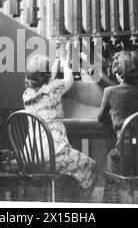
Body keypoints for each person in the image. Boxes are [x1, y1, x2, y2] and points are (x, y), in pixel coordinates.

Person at [22, 50, 98, 201]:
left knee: (69, 171)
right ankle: (78, 204)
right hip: (54, 156)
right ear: (48, 76)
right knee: (91, 166)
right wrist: (63, 60)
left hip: (30, 157)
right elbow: (68, 78)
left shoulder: (27, 94)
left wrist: (54, 65)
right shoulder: (54, 88)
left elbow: (46, 83)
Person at [98, 51, 138, 202]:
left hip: (125, 158)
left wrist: (114, 115)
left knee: (113, 156)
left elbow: (101, 118)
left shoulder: (110, 91)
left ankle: (109, 202)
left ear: (118, 73)